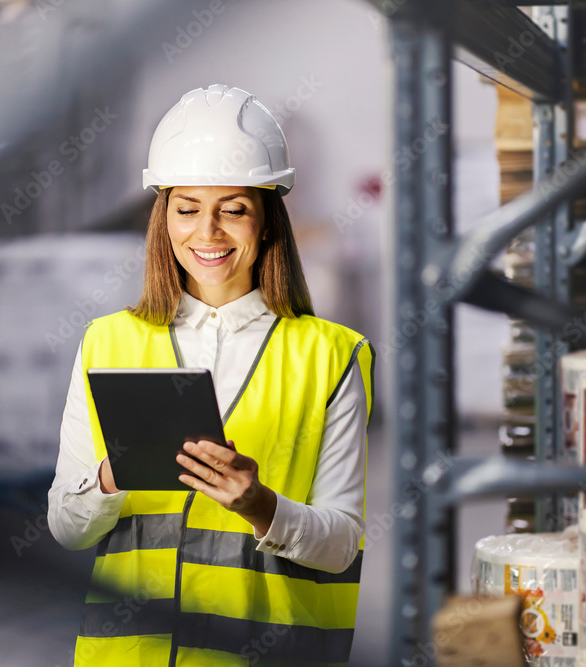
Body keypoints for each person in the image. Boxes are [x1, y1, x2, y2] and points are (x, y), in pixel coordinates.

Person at [47, 84, 375, 666]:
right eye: (188, 208)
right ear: (163, 217)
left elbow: (342, 542)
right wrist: (110, 476)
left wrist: (260, 506)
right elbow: (67, 529)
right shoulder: (108, 342)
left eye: (234, 209)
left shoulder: (332, 356)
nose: (208, 233)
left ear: (268, 220)